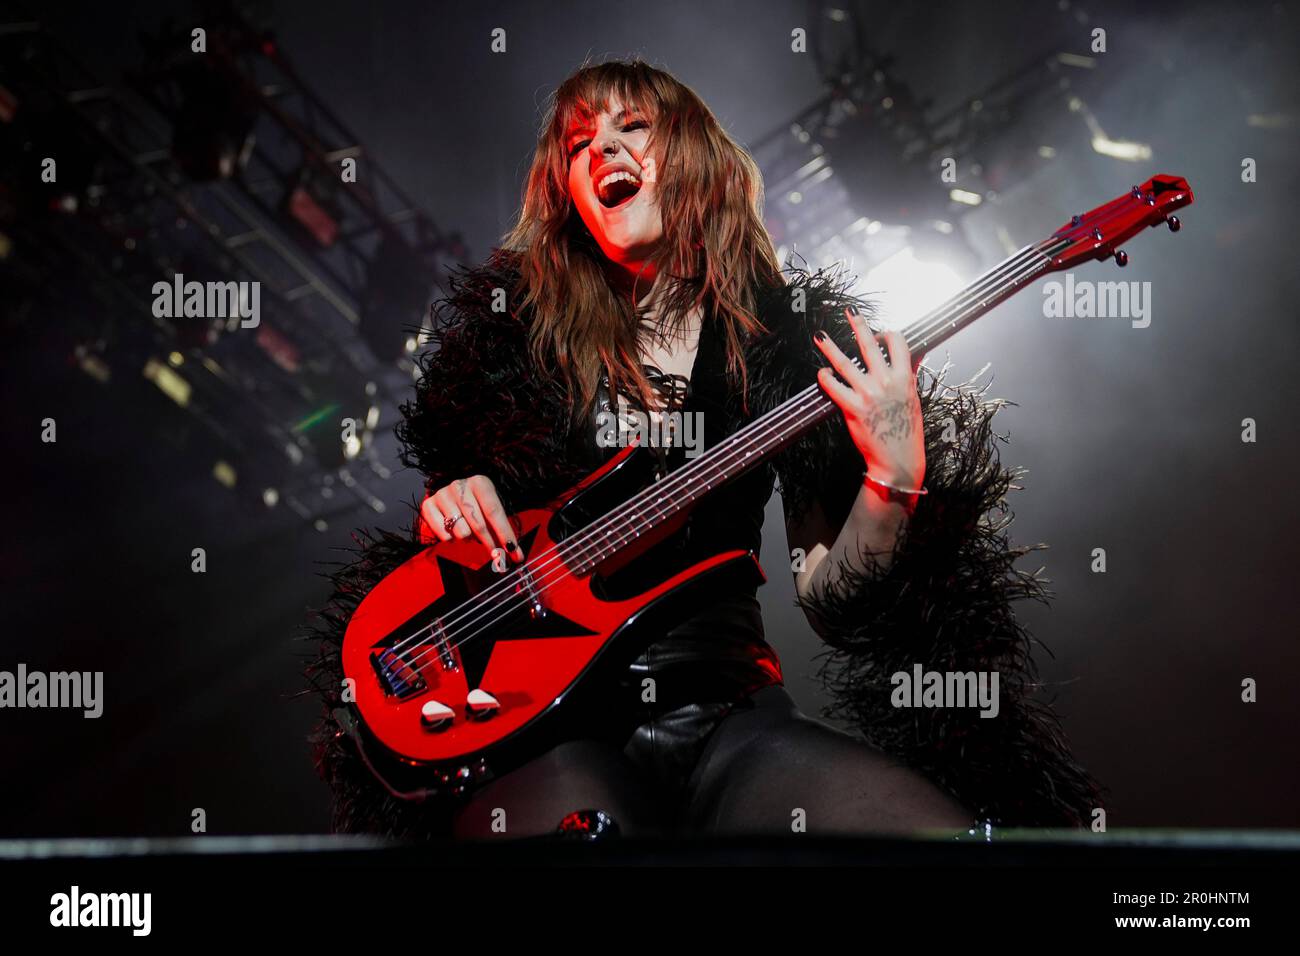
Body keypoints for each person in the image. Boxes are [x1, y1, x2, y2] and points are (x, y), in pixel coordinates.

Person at [306, 59, 1099, 841]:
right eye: (580, 145)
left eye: (634, 128)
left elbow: (830, 601)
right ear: (569, 196)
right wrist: (454, 495)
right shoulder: (514, 348)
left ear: (692, 157)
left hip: (728, 711)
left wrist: (894, 475)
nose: (603, 151)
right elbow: (452, 551)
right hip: (543, 722)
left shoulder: (782, 344)